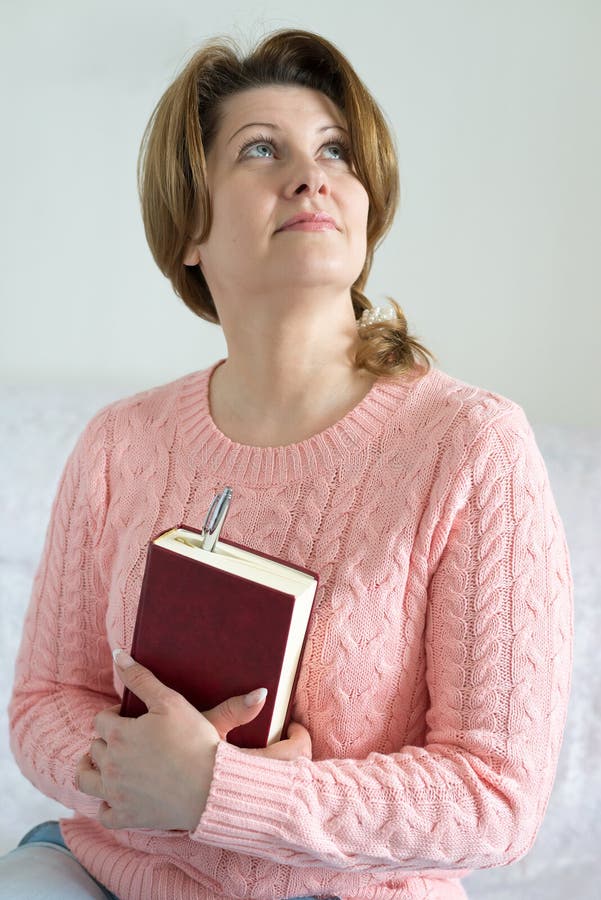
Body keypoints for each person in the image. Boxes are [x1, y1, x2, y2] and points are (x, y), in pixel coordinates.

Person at [2, 26, 573, 900]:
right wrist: (136, 774)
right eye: (260, 149)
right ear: (189, 225)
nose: (311, 175)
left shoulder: (469, 446)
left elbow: (495, 795)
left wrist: (218, 793)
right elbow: (45, 698)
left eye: (334, 151)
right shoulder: (121, 443)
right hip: (107, 872)